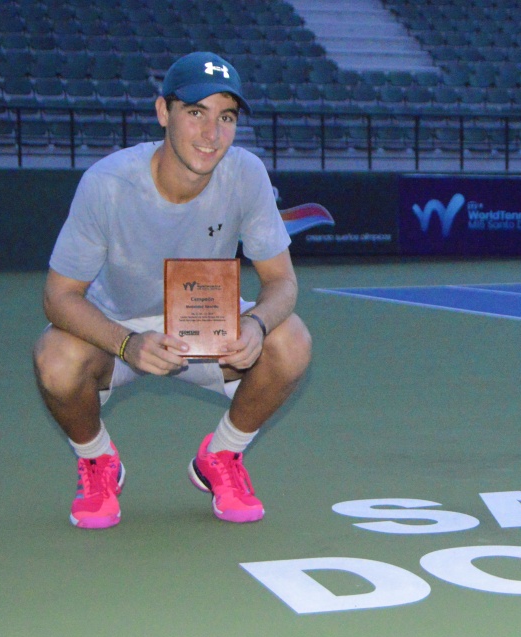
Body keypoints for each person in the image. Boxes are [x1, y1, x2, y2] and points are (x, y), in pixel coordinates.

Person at [33, 52, 312, 529]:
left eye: (226, 117)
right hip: (118, 329)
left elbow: (283, 282)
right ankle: (98, 461)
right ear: (164, 112)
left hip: (207, 325)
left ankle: (221, 457)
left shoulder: (246, 173)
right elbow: (58, 297)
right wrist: (126, 343)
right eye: (196, 113)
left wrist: (256, 323)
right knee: (54, 359)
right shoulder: (107, 183)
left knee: (292, 341)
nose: (211, 134)